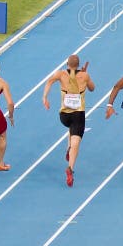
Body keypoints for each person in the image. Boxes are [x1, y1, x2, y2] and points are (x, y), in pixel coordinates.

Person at [43, 55, 96, 187]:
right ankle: (70, 168)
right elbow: (92, 88)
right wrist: (85, 74)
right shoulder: (84, 76)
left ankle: (69, 147)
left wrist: (45, 97)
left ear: (67, 64)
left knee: (71, 130)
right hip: (78, 115)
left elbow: (49, 81)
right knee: (75, 143)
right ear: (79, 65)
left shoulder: (61, 74)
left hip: (64, 116)